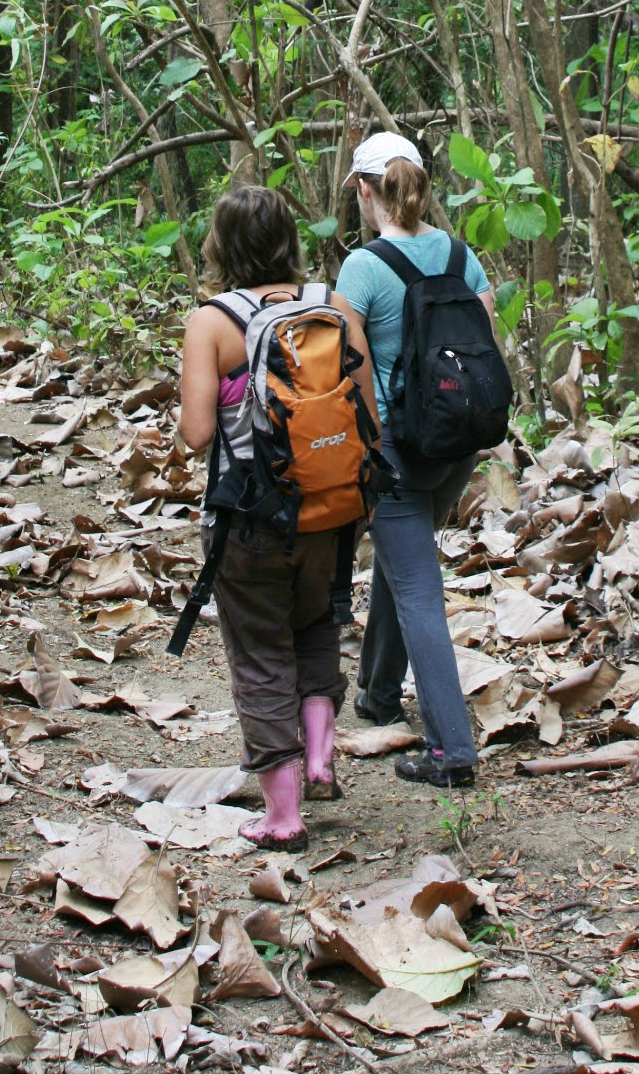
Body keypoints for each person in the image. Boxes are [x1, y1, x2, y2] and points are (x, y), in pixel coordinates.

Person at [179, 185, 377, 850]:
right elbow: (367, 414)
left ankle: (283, 814)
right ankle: (319, 760)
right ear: (289, 241)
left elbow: (196, 433)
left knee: (261, 652)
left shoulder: (212, 321)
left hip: (251, 519)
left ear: (220, 246)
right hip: (334, 509)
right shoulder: (334, 307)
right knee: (317, 623)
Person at [335, 132, 495, 789]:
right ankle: (376, 694)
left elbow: (351, 373)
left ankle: (450, 750)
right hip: (456, 445)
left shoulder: (362, 269)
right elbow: (484, 346)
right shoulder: (462, 257)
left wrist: (369, 451)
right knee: (408, 565)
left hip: (395, 448)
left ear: (367, 192)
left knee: (419, 589)